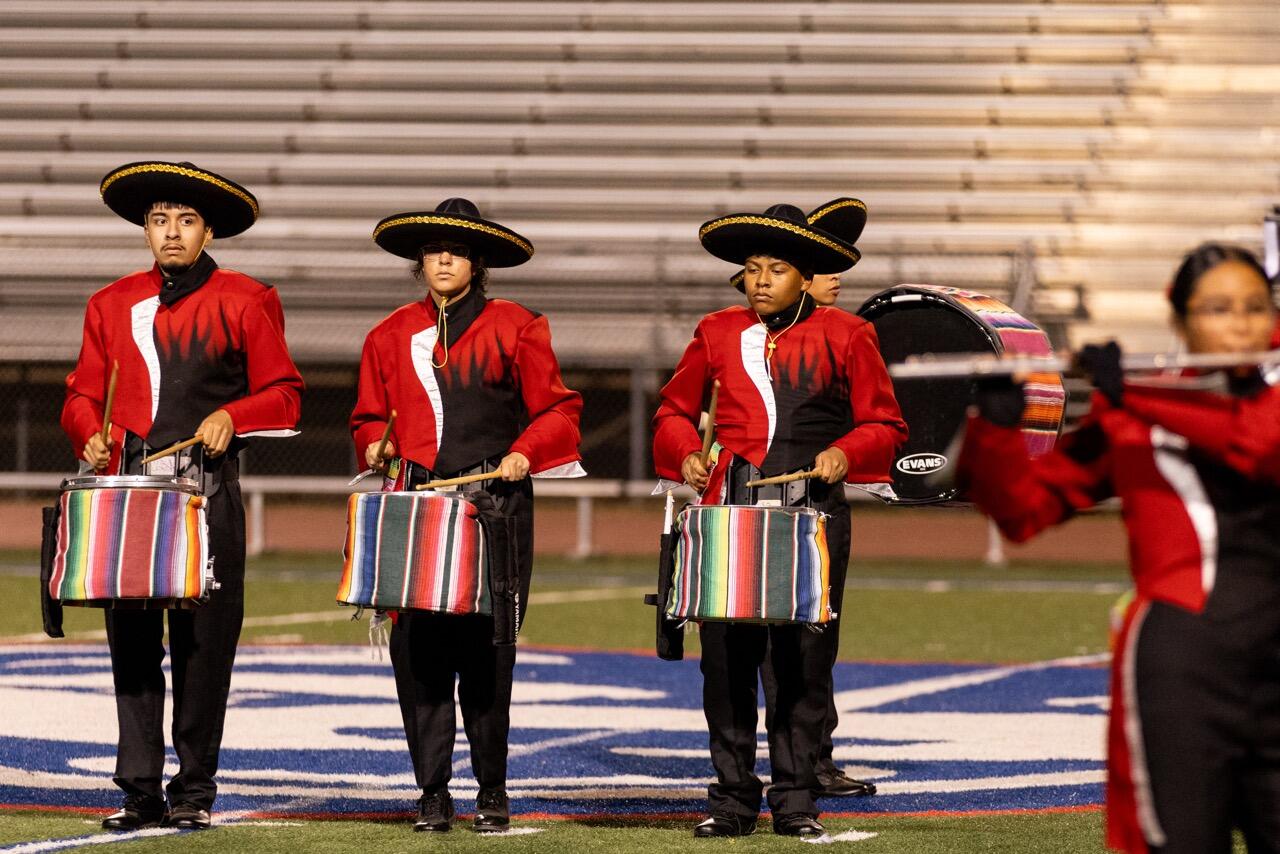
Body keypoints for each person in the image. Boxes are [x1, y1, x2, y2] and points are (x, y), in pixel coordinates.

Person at [959, 243, 1280, 853]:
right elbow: (1024, 511)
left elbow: (1260, 447)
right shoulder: (1131, 411)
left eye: (1255, 307)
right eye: (1218, 308)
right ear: (1179, 320)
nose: (1240, 323)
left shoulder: (1180, 398)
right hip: (1185, 667)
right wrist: (995, 427)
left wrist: (1130, 390)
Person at [62, 161, 304, 831]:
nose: (171, 234)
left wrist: (236, 416)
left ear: (208, 231)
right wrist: (90, 433)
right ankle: (137, 790)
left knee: (204, 646)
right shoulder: (109, 304)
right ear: (146, 229)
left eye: (186, 222)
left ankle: (193, 789)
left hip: (206, 492)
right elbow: (82, 393)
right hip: (129, 490)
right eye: (159, 220)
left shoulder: (247, 299)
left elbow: (285, 392)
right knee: (131, 643)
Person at [653, 203, 907, 838]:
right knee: (727, 662)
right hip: (727, 510)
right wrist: (685, 451)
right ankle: (733, 801)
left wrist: (844, 453)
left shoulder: (849, 334)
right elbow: (672, 411)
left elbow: (886, 425)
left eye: (777, 269)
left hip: (813, 512)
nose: (761, 279)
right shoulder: (715, 331)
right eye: (752, 268)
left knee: (802, 662)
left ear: (805, 276)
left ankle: (795, 801)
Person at [350, 198, 583, 834]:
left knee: (487, 652)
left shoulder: (519, 326)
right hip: (416, 505)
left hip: (494, 507)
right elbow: (369, 416)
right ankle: (431, 792)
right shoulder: (389, 334)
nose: (443, 258)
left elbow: (559, 413)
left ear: (478, 260)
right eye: (432, 249)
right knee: (418, 653)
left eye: (455, 249)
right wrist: (374, 441)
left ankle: (492, 791)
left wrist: (523, 453)